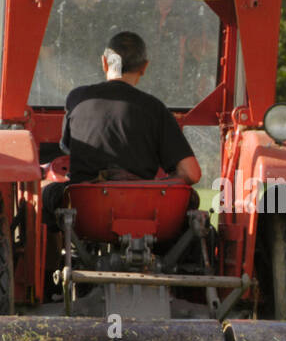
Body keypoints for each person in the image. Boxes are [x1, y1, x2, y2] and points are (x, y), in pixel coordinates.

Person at [44, 31, 201, 220]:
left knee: (47, 191)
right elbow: (192, 173)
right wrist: (157, 184)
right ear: (144, 67)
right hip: (140, 213)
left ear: (104, 62)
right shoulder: (155, 108)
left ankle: (49, 250)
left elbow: (67, 148)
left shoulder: (77, 98)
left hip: (84, 214)